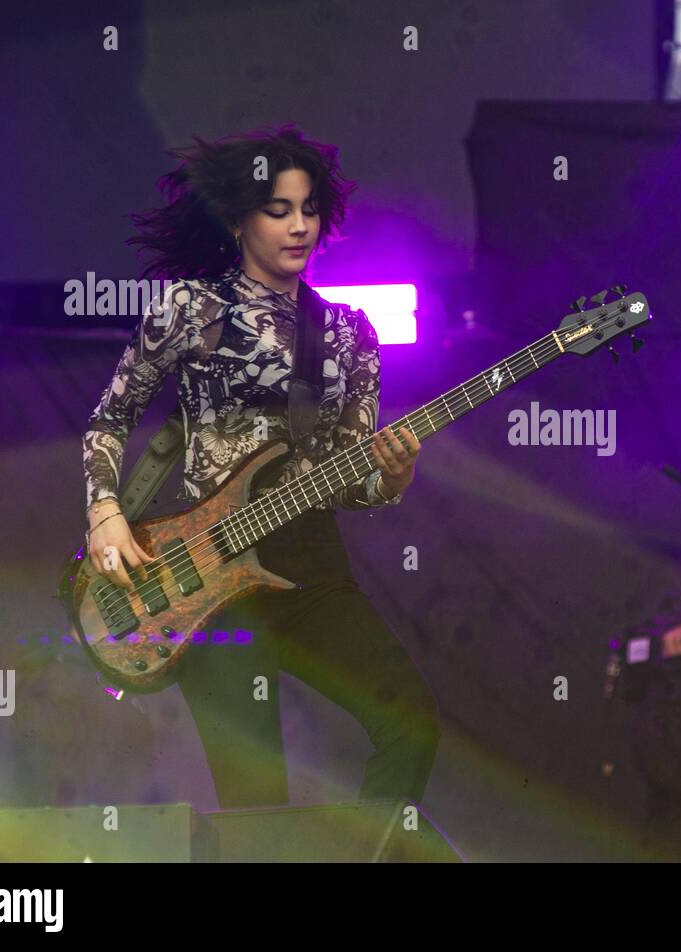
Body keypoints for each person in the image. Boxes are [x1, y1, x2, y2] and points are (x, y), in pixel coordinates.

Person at [81, 123, 440, 810]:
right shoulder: (190, 311)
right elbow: (109, 419)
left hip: (308, 565)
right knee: (256, 804)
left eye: (309, 209)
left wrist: (390, 478)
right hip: (209, 576)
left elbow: (354, 478)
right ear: (241, 219)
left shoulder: (348, 334)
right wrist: (104, 514)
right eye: (280, 210)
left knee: (411, 725)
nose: (299, 226)